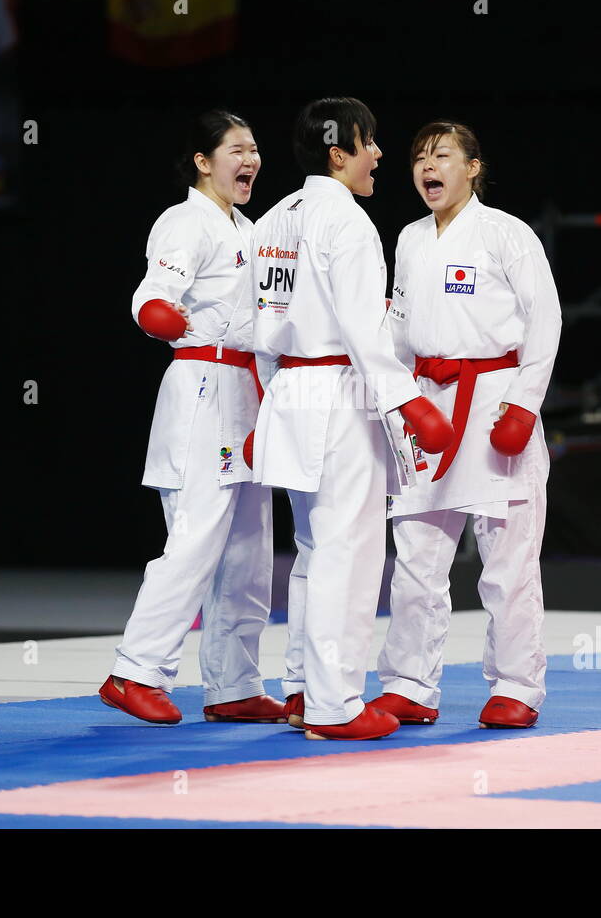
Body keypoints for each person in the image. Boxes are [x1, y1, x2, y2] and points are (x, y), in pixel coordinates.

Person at [247, 97, 453, 741]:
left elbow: (255, 330)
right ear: (340, 153)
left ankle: (306, 690)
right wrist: (410, 401)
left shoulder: (273, 219)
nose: (380, 155)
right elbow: (367, 334)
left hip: (290, 389)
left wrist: (267, 401)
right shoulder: (349, 223)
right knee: (351, 553)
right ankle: (337, 705)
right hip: (342, 391)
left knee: (312, 551)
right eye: (370, 143)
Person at [369, 121, 561, 729]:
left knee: (507, 557)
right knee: (418, 556)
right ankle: (409, 684)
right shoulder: (408, 239)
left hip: (496, 401)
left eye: (443, 156)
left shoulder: (507, 235)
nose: (429, 166)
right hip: (429, 403)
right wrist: (396, 403)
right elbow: (397, 329)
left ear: (473, 167)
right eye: (420, 158)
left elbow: (546, 321)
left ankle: (517, 685)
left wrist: (526, 404)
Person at [98, 110, 282, 725]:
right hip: (204, 384)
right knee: (196, 537)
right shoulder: (184, 222)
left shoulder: (251, 229)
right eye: (236, 149)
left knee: (252, 547)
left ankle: (234, 684)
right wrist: (156, 312)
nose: (250, 159)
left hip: (250, 389)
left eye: (255, 148)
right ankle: (136, 671)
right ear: (204, 162)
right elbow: (153, 295)